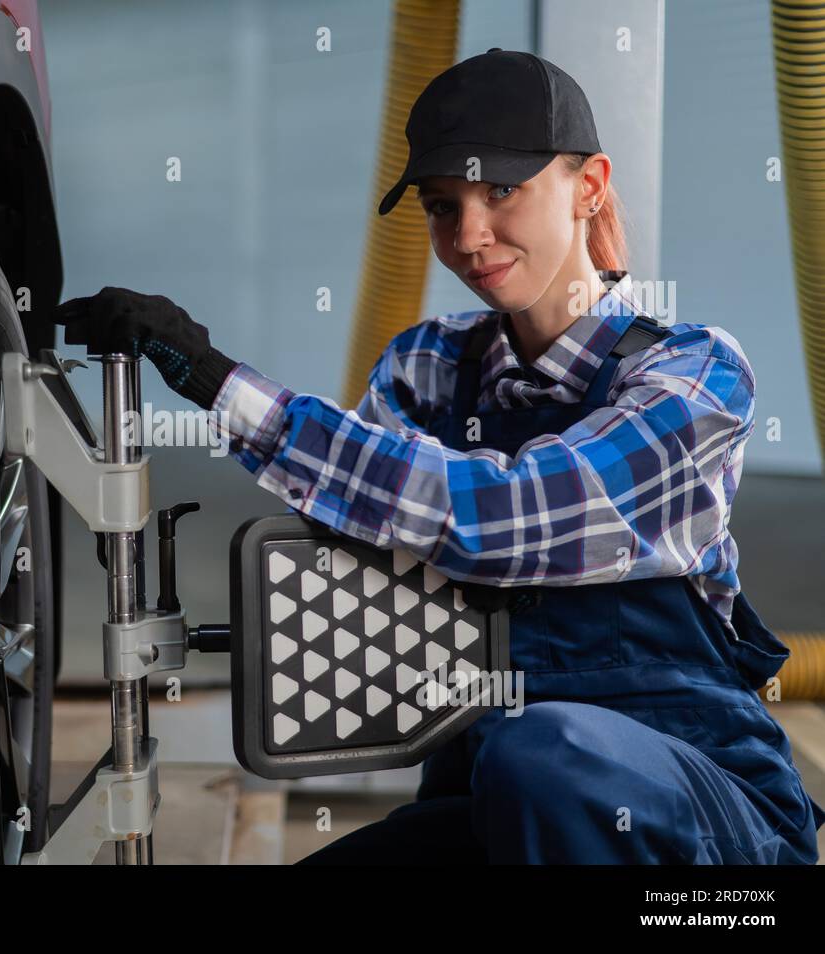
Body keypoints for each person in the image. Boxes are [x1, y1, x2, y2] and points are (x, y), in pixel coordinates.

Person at [48, 49, 825, 863]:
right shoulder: (426, 369)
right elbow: (366, 552)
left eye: (501, 191)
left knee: (549, 753)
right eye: (442, 205)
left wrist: (218, 387)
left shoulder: (694, 373)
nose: (469, 236)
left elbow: (502, 519)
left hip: (699, 820)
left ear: (589, 186)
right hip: (493, 790)